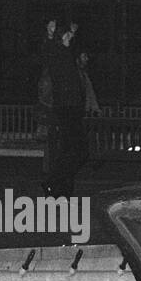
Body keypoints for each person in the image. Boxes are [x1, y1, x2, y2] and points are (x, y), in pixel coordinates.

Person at [38, 19, 86, 197]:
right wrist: (50, 34)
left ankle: (61, 188)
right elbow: (47, 49)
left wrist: (70, 31)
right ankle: (53, 183)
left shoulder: (65, 52)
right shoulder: (57, 52)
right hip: (66, 107)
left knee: (70, 150)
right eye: (68, 35)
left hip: (71, 106)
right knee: (76, 150)